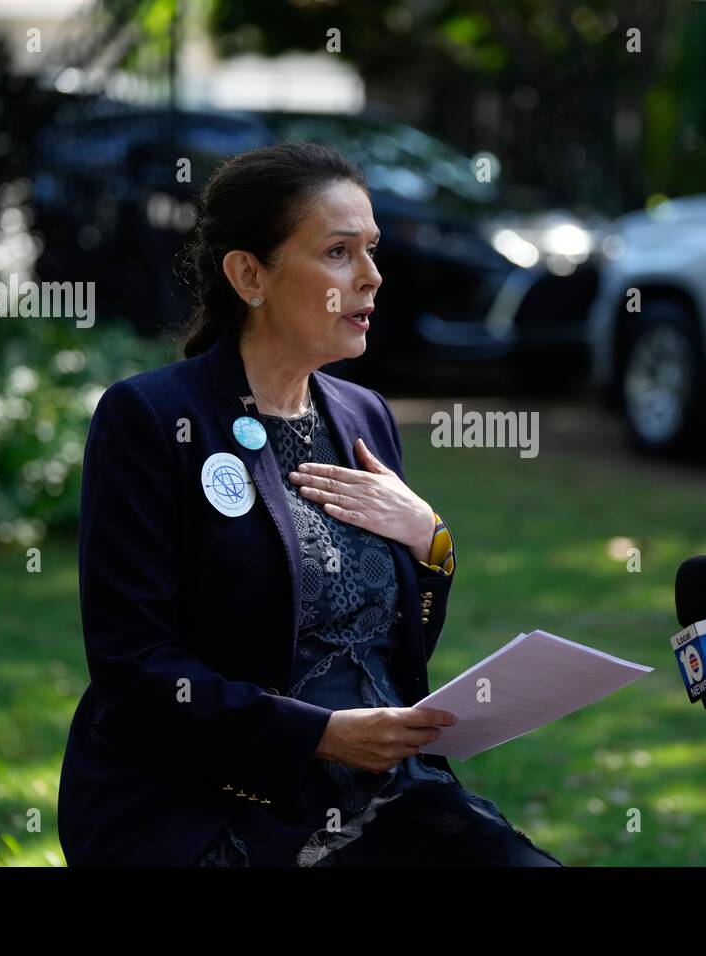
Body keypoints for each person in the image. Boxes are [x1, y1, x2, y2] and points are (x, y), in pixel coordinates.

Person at [58, 143, 560, 867]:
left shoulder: (365, 417)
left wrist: (433, 543)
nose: (372, 277)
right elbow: (133, 667)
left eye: (373, 250)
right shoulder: (151, 418)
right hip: (210, 805)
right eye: (337, 252)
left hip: (384, 794)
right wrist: (316, 734)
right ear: (249, 275)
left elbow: (388, 637)